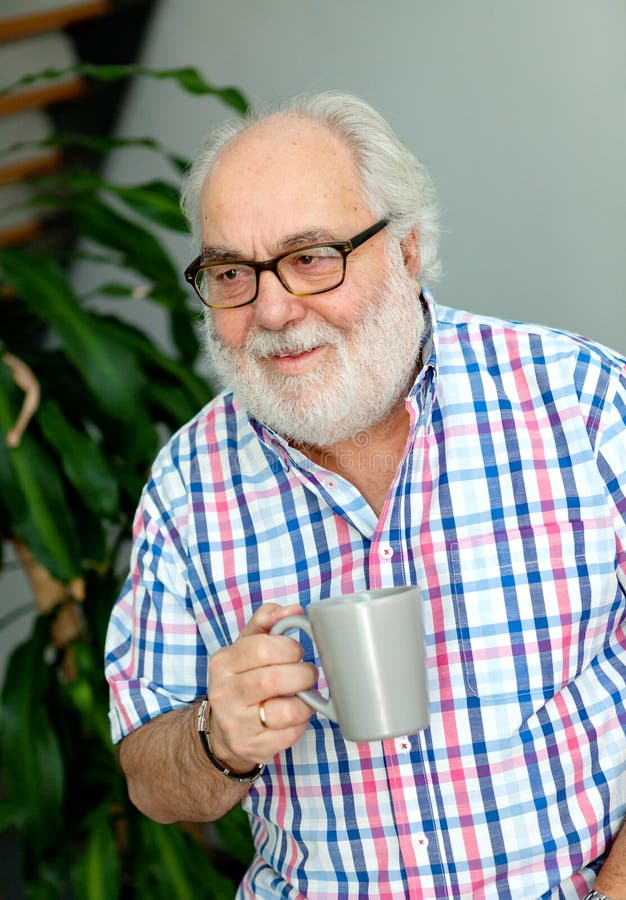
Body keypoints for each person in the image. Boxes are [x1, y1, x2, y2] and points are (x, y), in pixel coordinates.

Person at [104, 91, 626, 899]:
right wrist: (217, 738)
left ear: (409, 250)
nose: (272, 310)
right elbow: (150, 779)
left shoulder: (584, 403)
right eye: (233, 273)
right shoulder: (188, 482)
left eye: (312, 256)